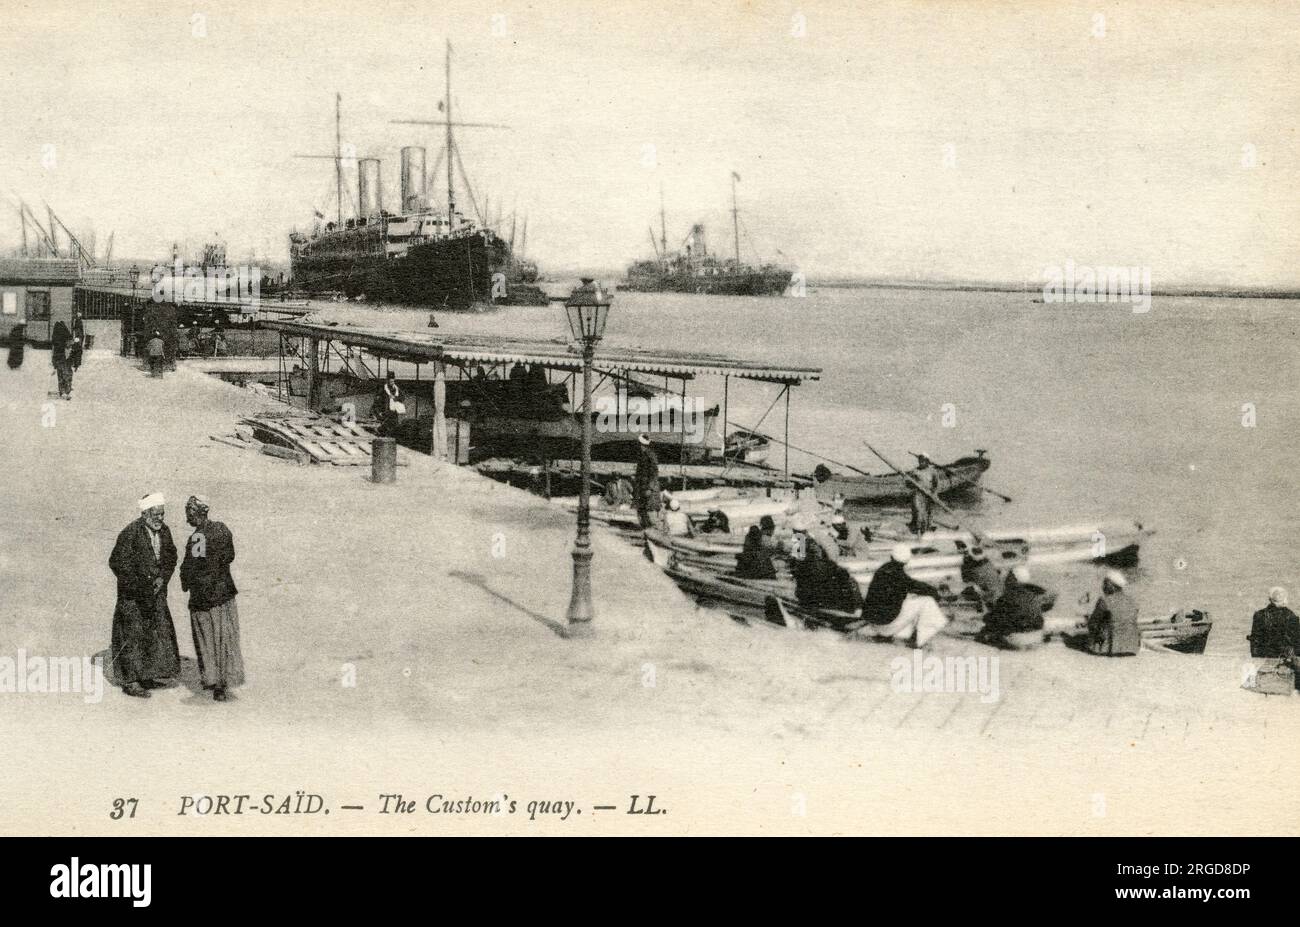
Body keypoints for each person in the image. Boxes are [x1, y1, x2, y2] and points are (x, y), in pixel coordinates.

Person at [108, 493, 181, 698]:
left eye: (162, 514)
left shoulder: (164, 532)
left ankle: (147, 675)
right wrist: (142, 585)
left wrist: (162, 578)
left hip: (156, 594)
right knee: (131, 635)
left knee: (154, 633)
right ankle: (130, 681)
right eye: (156, 514)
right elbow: (117, 564)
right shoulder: (130, 533)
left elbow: (171, 557)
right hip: (133, 597)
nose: (160, 518)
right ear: (145, 513)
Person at [180, 496, 246, 702]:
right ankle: (223, 681)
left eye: (188, 513)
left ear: (195, 513)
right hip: (224, 593)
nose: (186, 517)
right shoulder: (223, 529)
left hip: (204, 596)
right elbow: (230, 556)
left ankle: (214, 681)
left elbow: (196, 565)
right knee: (224, 639)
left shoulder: (198, 537)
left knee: (207, 639)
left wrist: (187, 580)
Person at [860, 543, 948, 647]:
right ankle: (919, 640)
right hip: (885, 626)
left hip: (873, 622)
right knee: (927, 601)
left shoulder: (883, 569)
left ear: (891, 557)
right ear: (907, 560)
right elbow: (916, 586)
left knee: (909, 600)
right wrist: (935, 592)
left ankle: (889, 635)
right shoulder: (899, 575)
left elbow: (910, 585)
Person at [791, 537, 862, 617]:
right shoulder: (810, 565)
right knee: (845, 581)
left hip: (817, 596)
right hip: (820, 598)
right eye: (814, 549)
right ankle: (852, 608)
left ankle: (854, 607)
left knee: (846, 580)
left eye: (817, 548)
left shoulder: (819, 564)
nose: (817, 551)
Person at [977, 565, 1046, 646]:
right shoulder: (1034, 595)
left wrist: (986, 619)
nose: (1006, 579)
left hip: (1017, 639)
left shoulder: (1008, 596)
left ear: (1013, 579)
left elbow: (994, 618)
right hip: (1037, 636)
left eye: (1009, 576)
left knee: (991, 629)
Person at [1086, 570, 1141, 656]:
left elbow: (1093, 623)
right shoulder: (1131, 600)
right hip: (1132, 647)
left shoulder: (1104, 600)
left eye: (1105, 584)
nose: (1103, 586)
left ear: (1111, 585)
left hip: (1111, 648)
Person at [1247, 587, 1300, 659]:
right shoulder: (1291, 616)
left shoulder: (1259, 614)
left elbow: (1255, 641)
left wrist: (1256, 658)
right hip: (1286, 657)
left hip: (1264, 656)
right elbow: (1297, 641)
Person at [633, 434, 661, 529]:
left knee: (649, 512)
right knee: (642, 511)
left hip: (648, 489)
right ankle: (645, 531)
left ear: (642, 444)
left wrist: (650, 488)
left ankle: (651, 531)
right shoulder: (642, 455)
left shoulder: (650, 455)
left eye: (639, 444)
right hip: (642, 488)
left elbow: (654, 473)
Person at [908, 453, 940, 535]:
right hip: (918, 494)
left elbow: (936, 484)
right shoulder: (915, 471)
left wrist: (934, 495)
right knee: (918, 512)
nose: (920, 462)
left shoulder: (933, 471)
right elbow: (908, 484)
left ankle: (927, 531)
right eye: (920, 460)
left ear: (927, 461)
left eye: (923, 460)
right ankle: (918, 531)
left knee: (928, 513)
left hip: (929, 495)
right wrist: (910, 482)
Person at [50, 319, 73, 399]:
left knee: (60, 374)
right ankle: (67, 391)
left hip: (58, 357)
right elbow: (69, 346)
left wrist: (53, 361)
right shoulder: (66, 335)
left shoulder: (55, 337)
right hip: (65, 358)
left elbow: (53, 350)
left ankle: (62, 391)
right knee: (67, 374)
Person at [376, 370, 402, 437]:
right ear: (387, 381)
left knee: (393, 425)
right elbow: (378, 400)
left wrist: (396, 398)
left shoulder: (397, 389)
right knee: (385, 424)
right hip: (385, 410)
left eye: (393, 381)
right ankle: (382, 434)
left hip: (394, 410)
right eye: (390, 381)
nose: (392, 383)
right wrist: (379, 411)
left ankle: (390, 437)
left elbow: (402, 398)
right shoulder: (384, 389)